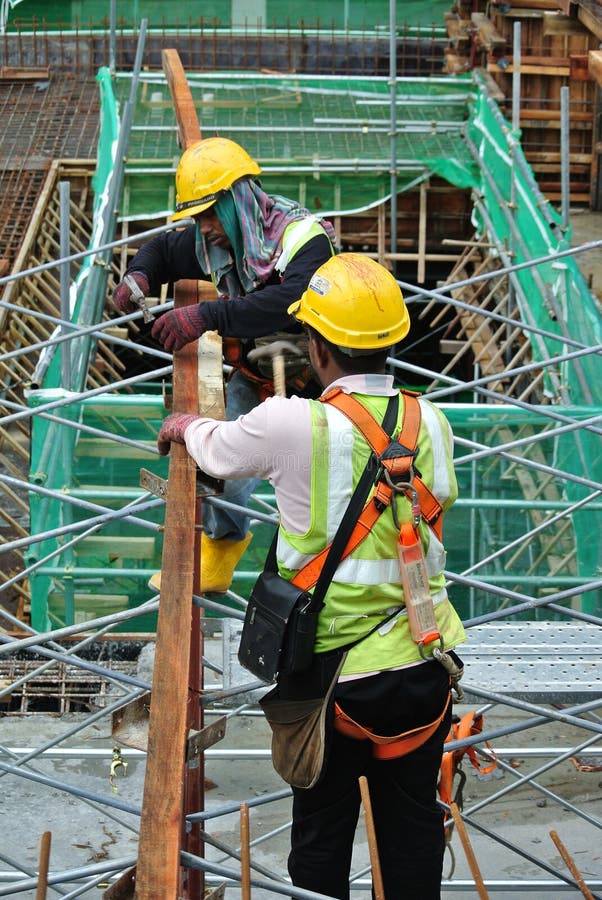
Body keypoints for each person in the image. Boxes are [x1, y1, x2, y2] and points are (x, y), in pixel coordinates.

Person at [156, 252, 466, 899]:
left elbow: (215, 446)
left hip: (333, 678)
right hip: (423, 666)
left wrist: (183, 424)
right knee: (411, 839)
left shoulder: (291, 422)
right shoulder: (431, 421)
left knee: (321, 840)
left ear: (316, 344)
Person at [113, 136, 337, 591]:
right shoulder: (220, 243)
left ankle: (321, 575)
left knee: (321, 485)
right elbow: (161, 250)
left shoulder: (303, 238)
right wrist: (138, 274)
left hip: (319, 381)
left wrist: (205, 314)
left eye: (210, 213)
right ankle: (217, 559)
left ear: (237, 201)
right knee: (222, 469)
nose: (205, 227)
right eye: (198, 217)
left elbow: (290, 300)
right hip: (259, 375)